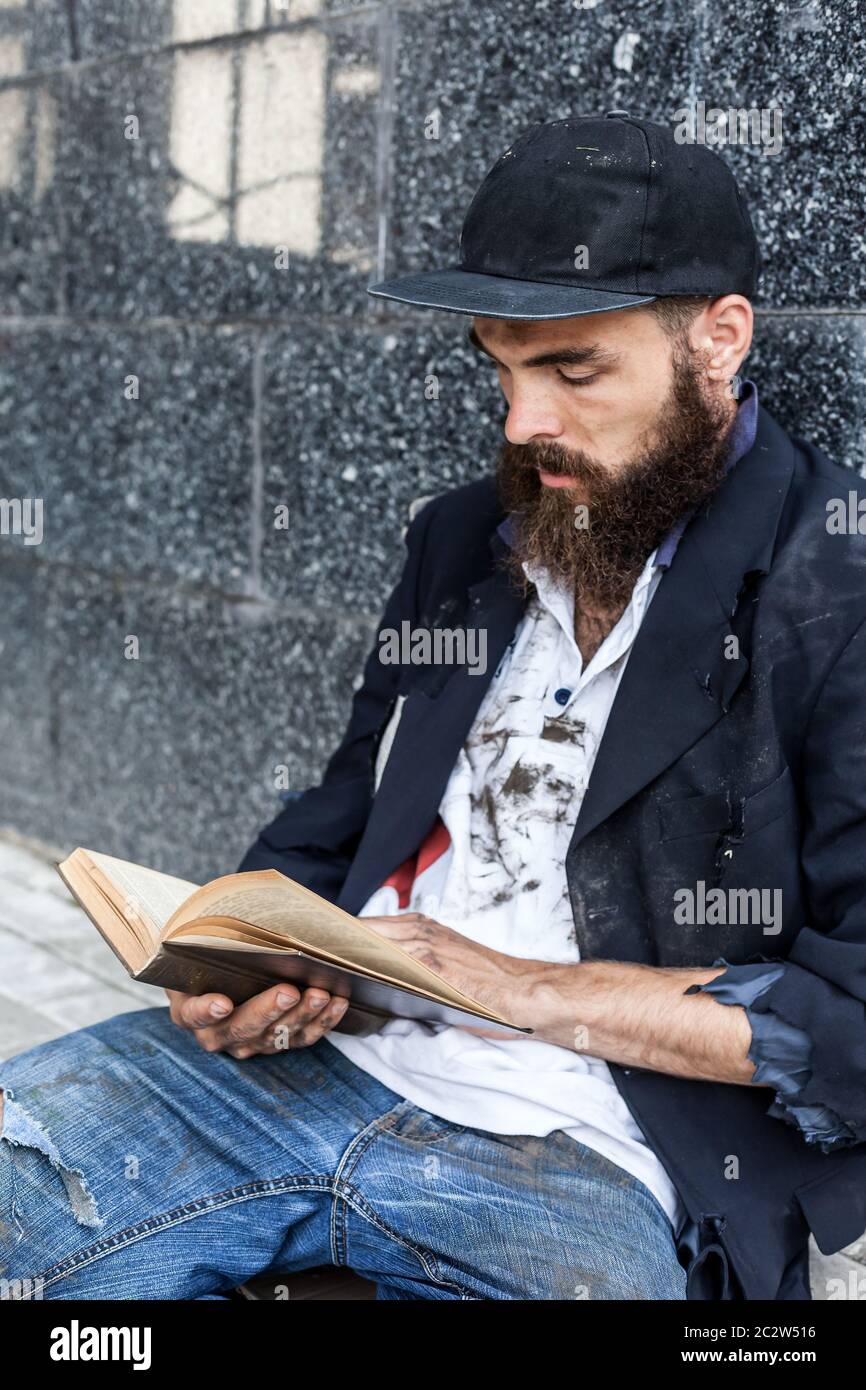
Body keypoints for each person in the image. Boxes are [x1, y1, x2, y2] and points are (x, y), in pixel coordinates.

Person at [3, 114, 865, 1302]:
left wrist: (516, 987)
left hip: (596, 1145)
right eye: (500, 367)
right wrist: (247, 958)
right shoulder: (468, 535)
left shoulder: (836, 587)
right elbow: (347, 805)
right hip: (321, 1061)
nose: (522, 425)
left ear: (716, 339)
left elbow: (851, 1024)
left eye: (571, 370)